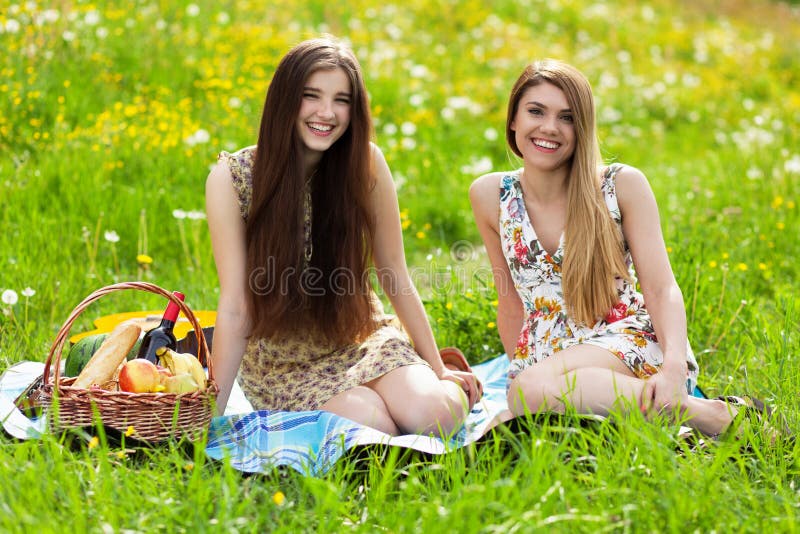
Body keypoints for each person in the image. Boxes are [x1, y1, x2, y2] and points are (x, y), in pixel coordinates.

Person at [469, 59, 777, 440]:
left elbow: (662, 288)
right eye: (535, 111)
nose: (549, 128)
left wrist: (674, 369)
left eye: (567, 118)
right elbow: (510, 301)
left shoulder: (619, 186)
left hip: (624, 339)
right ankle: (674, 415)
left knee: (528, 394)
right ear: (513, 119)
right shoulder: (490, 196)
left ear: (582, 129)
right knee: (517, 410)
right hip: (547, 354)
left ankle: (703, 413)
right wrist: (520, 370)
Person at [205, 37, 481, 437]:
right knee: (373, 427)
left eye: (342, 100)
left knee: (432, 416)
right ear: (285, 99)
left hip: (360, 335)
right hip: (282, 365)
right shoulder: (233, 179)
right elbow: (234, 308)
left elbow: (394, 272)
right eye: (311, 96)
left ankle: (443, 376)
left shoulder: (365, 164)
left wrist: (437, 367)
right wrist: (209, 419)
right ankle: (390, 400)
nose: (327, 113)